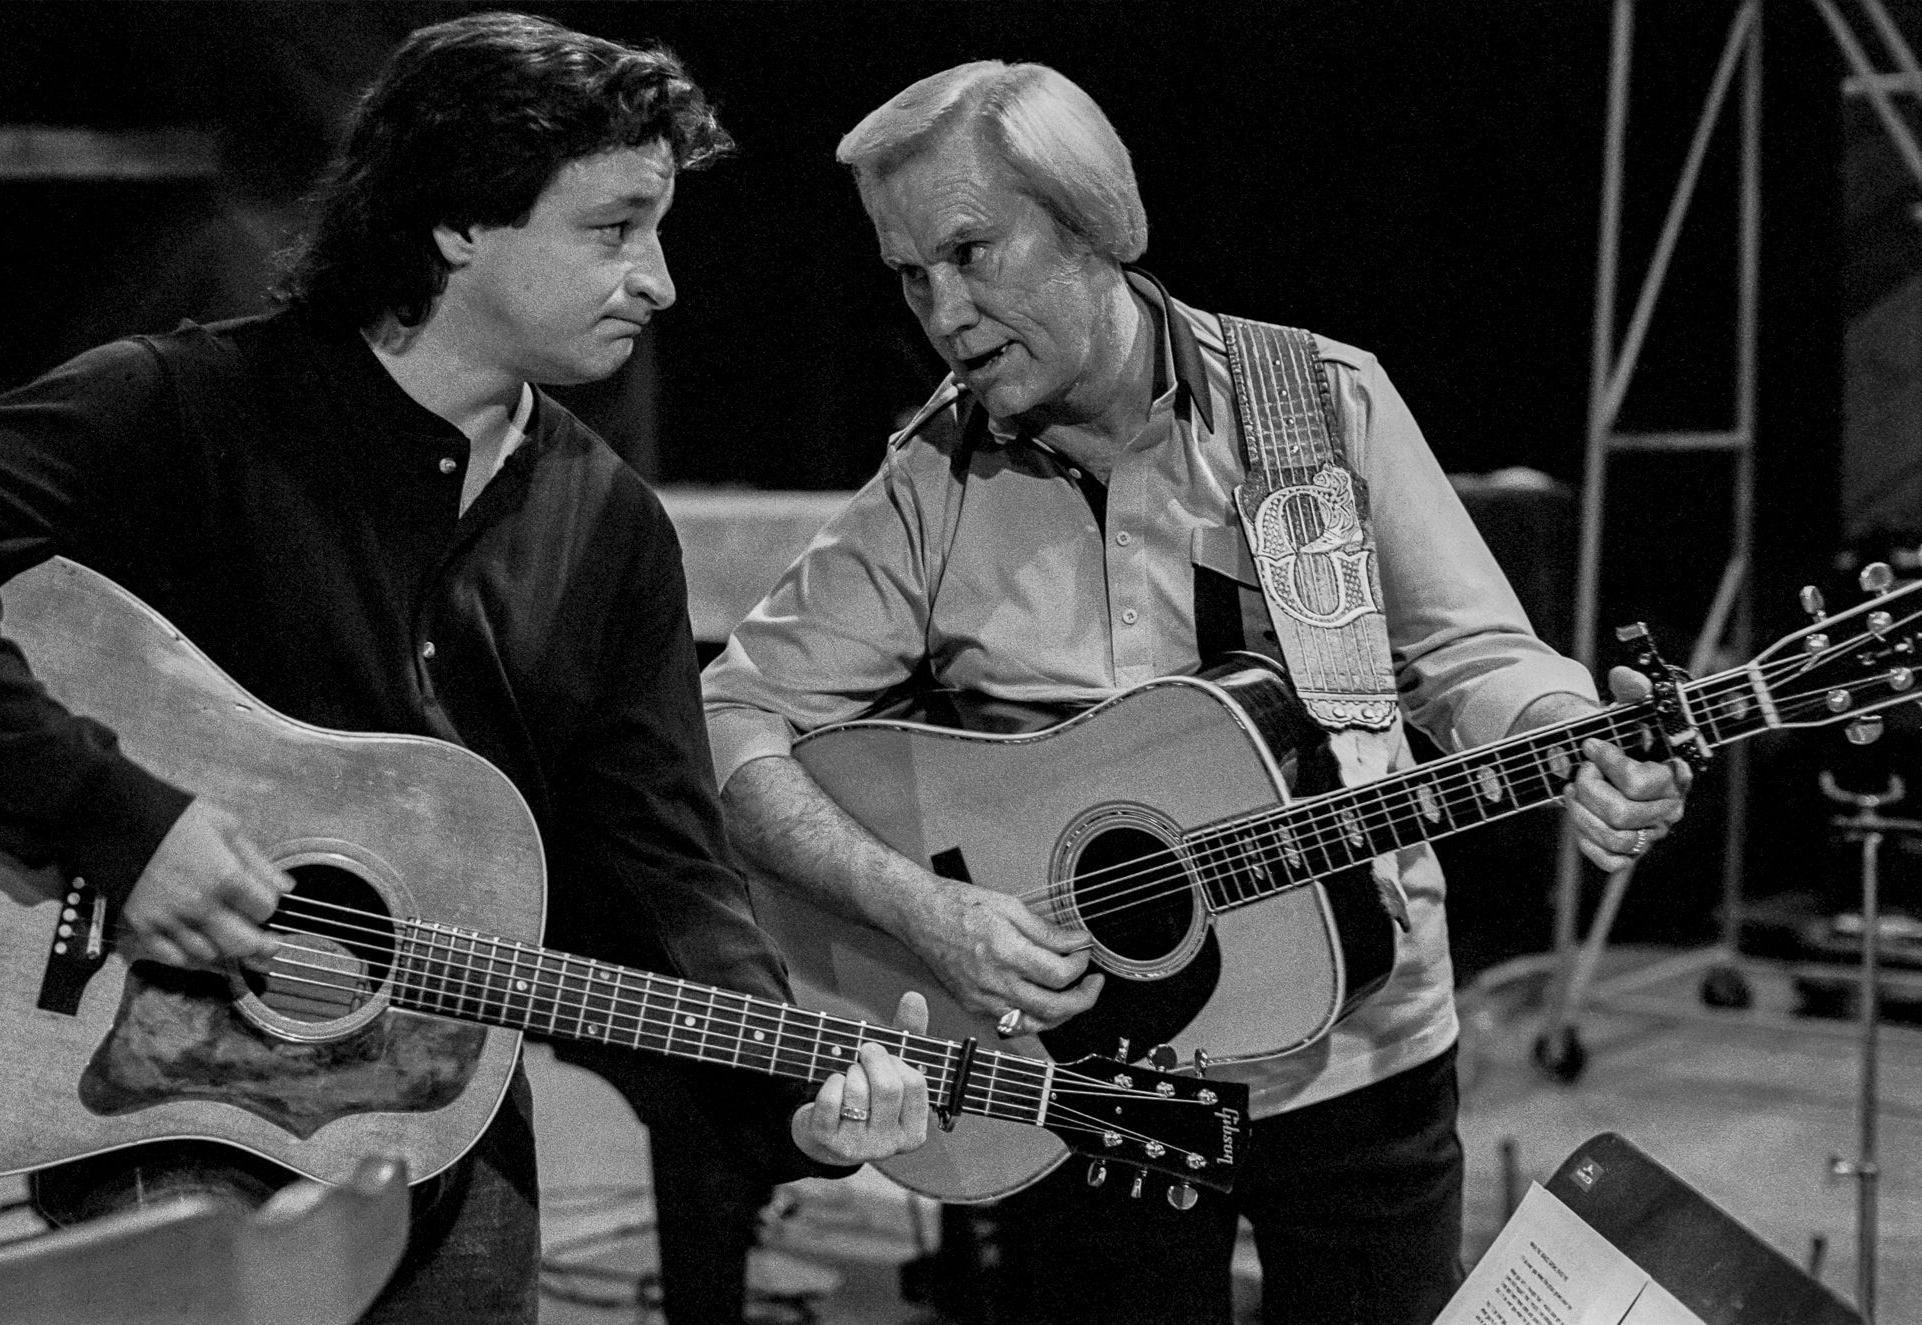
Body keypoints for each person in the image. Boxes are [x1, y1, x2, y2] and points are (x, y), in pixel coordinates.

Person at [0, 13, 932, 1325]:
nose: (662, 279)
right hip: (141, 1100)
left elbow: (670, 883)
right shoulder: (185, 409)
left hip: (432, 1115)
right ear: (457, 224)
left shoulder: (609, 527)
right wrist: (121, 823)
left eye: (660, 228)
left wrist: (804, 1089)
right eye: (613, 228)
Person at [700, 61, 1693, 1325]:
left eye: (969, 252)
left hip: (1361, 1052)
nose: (941, 311)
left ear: (1096, 224)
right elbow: (734, 716)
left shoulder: (1309, 402)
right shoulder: (929, 480)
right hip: (1084, 1076)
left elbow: (1472, 658)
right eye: (908, 273)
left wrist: (1568, 736)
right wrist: (926, 908)